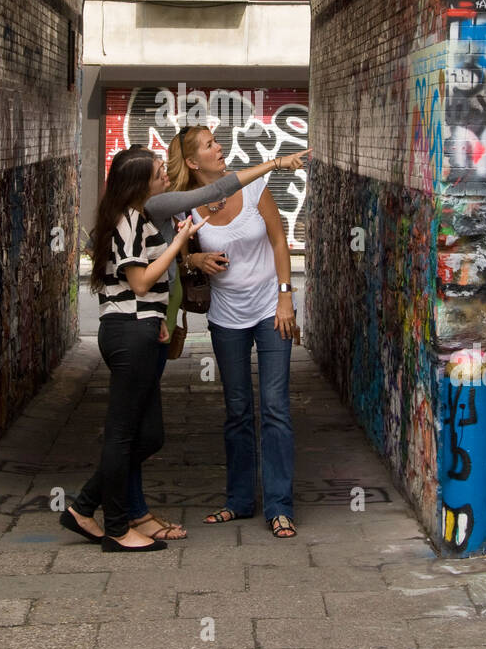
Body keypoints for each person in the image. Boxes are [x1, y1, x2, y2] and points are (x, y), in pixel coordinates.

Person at [62, 142, 306, 550]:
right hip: (131, 332)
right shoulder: (139, 216)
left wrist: (163, 315)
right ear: (142, 184)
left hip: (149, 327)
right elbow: (141, 280)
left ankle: (109, 509)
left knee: (148, 434)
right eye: (159, 172)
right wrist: (184, 248)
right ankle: (113, 524)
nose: (165, 176)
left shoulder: (147, 211)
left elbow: (156, 276)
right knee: (127, 434)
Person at [168, 125, 310, 538]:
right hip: (226, 318)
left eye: (217, 141)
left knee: (275, 406)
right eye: (210, 145)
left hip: (271, 309)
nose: (220, 148)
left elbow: (280, 240)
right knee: (237, 410)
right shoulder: (186, 209)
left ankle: (280, 506)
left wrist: (286, 297)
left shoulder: (252, 188)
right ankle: (240, 500)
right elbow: (175, 256)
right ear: (194, 162)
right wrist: (197, 261)